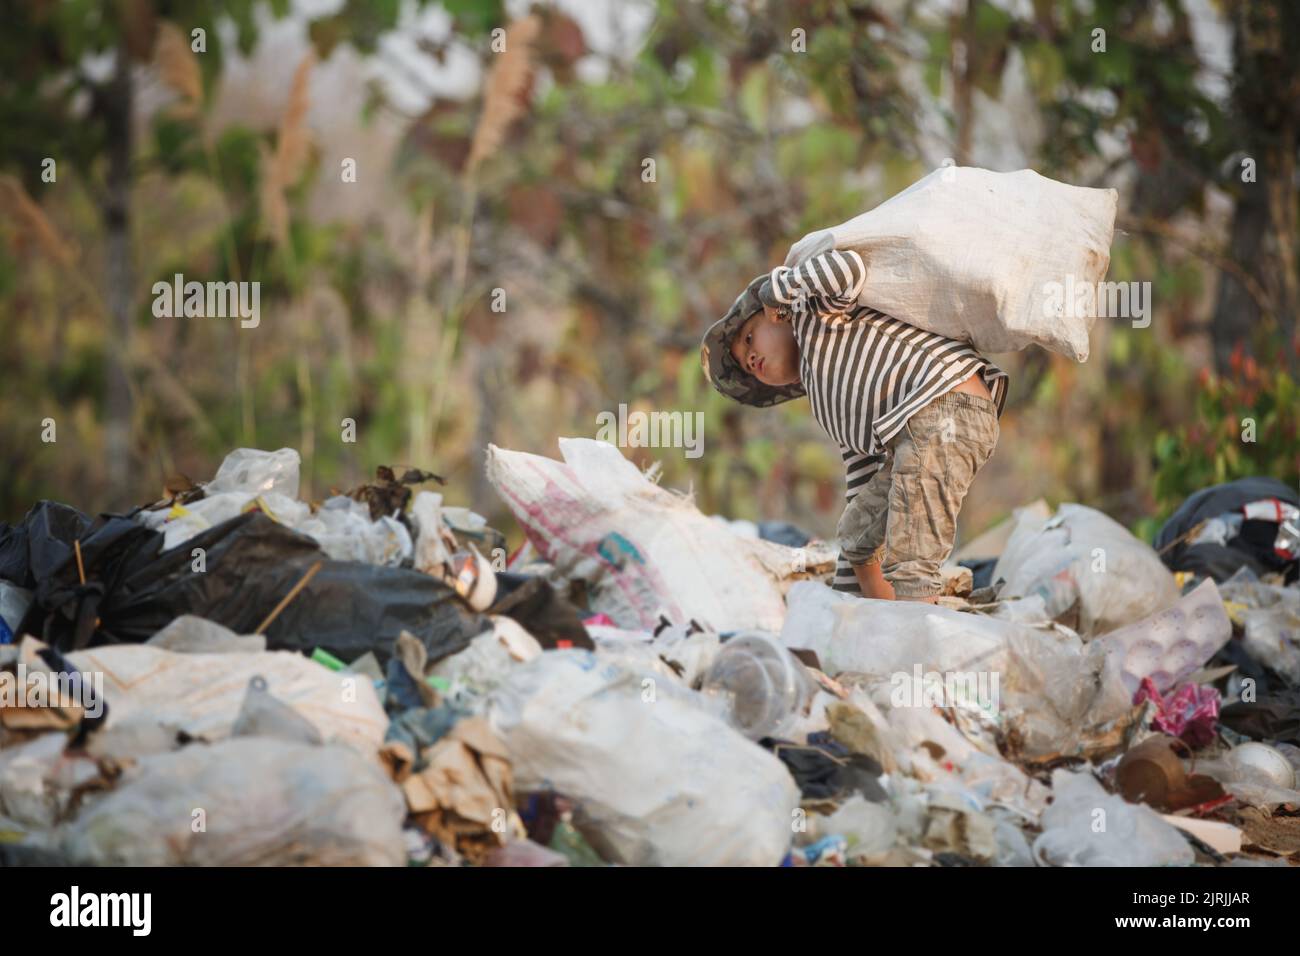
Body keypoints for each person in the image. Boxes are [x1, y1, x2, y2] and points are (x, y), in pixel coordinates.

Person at [700, 249, 1007, 602]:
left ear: (778, 316)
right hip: (919, 431)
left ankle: (919, 641)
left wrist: (779, 289)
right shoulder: (829, 398)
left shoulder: (818, 315)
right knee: (856, 534)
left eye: (750, 338)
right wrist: (844, 606)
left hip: (945, 407)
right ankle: (876, 618)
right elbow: (861, 484)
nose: (750, 358)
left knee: (910, 559)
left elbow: (848, 267)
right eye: (746, 364)